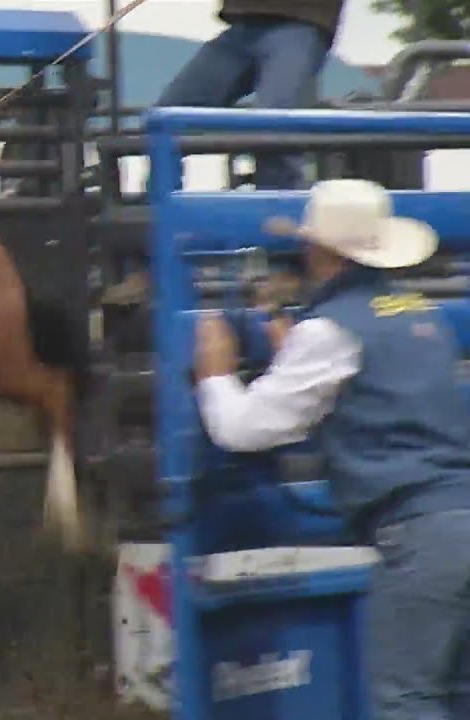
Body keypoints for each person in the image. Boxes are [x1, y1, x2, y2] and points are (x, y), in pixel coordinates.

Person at [193, 179, 470, 720]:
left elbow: (242, 430)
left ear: (321, 250)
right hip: (459, 512)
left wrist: (215, 374)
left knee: (407, 700)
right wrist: (296, 354)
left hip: (419, 533)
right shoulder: (421, 313)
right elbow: (382, 391)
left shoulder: (329, 331)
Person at [156, 0, 345, 189]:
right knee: (165, 117)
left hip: (300, 22)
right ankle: (157, 201)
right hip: (244, 25)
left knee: (274, 123)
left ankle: (278, 204)